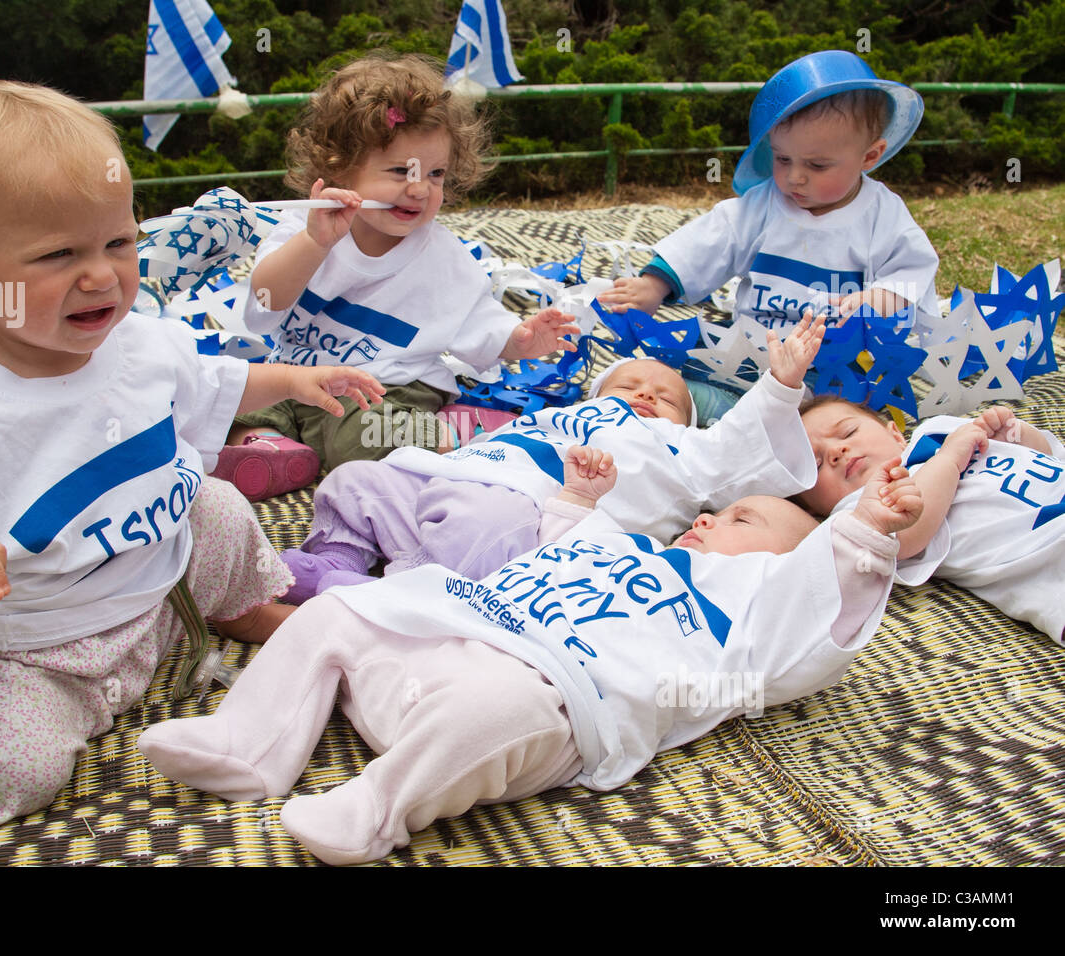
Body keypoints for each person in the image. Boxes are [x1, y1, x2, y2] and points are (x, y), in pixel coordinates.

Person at [0, 81, 384, 832]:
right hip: (35, 645)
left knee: (213, 504)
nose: (101, 276)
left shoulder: (139, 343)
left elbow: (215, 379)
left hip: (153, 585)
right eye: (59, 254)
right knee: (12, 777)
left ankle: (240, 608)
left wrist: (299, 380)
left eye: (118, 243)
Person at [138, 446, 921, 865]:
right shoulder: (632, 548)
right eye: (716, 509)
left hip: (548, 699)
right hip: (446, 637)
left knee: (494, 712)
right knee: (341, 610)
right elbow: (557, 547)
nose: (712, 519)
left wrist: (862, 537)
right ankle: (244, 746)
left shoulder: (749, 613)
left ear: (778, 565)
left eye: (739, 518)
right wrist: (579, 500)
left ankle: (376, 809)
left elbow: (817, 621)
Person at [214, 53, 580, 500]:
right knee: (226, 400)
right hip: (298, 376)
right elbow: (263, 310)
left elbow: (479, 324)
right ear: (339, 168)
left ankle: (454, 431)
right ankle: (266, 447)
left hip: (389, 391)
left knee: (355, 439)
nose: (420, 188)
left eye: (436, 174)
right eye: (399, 172)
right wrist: (314, 245)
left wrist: (521, 340)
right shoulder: (303, 229)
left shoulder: (444, 260)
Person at [277, 313, 825, 604]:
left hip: (532, 512)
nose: (644, 396)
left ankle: (392, 598)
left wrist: (780, 385)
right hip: (461, 477)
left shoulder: (686, 450)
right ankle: (337, 562)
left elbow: (739, 442)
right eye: (628, 384)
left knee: (487, 529)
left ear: (688, 422)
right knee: (358, 480)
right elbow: (473, 437)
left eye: (666, 399)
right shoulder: (559, 414)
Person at [598, 50, 938, 330]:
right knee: (686, 381)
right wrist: (655, 285)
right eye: (782, 158)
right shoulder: (762, 206)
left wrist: (881, 298)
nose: (794, 178)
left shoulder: (882, 214)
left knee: (843, 410)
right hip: (756, 352)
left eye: (817, 166)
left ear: (870, 155)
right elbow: (712, 240)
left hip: (839, 362)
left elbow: (913, 270)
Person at [799, 396, 1065, 644]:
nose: (837, 450)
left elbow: (1047, 455)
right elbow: (905, 536)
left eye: (848, 432)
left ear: (895, 434)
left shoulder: (938, 429)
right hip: (1046, 558)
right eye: (817, 463)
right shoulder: (858, 512)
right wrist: (949, 459)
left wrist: (1014, 435)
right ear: (813, 509)